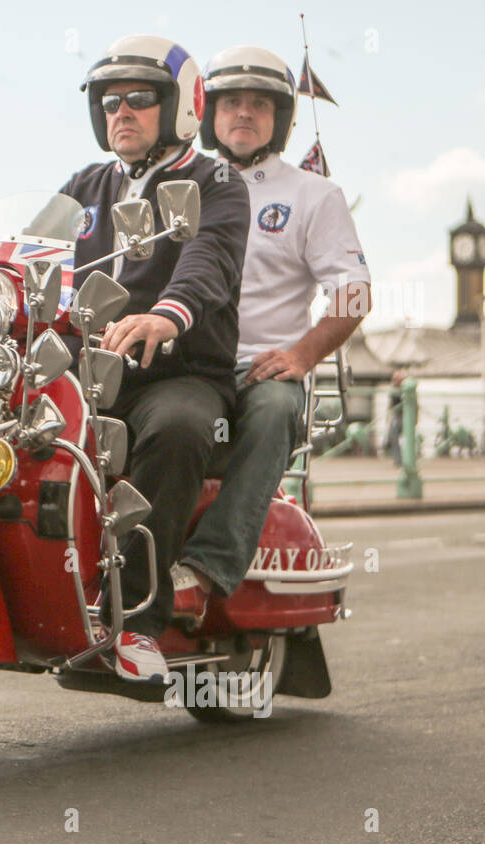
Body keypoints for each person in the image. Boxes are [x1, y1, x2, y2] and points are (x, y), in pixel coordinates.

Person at [61, 34, 251, 681]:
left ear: (180, 105)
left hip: (180, 371)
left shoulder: (214, 180)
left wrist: (166, 314)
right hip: (90, 369)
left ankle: (137, 622)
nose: (122, 110)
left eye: (140, 98)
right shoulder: (84, 186)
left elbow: (211, 256)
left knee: (175, 431)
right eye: (109, 100)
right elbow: (30, 252)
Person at [171, 45, 372, 622]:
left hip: (258, 368)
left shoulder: (314, 194)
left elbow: (354, 291)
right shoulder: (177, 184)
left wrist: (303, 354)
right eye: (231, 102)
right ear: (208, 113)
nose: (243, 114)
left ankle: (205, 570)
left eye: (260, 104)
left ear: (280, 119)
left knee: (276, 406)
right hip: (180, 366)